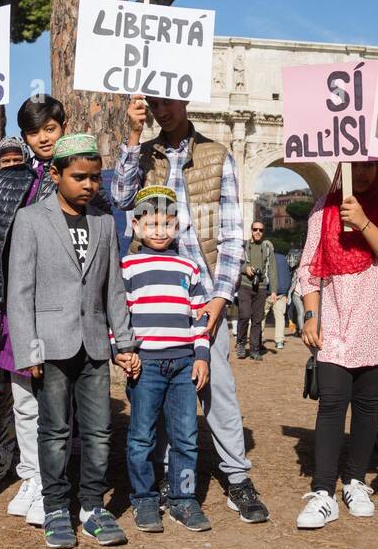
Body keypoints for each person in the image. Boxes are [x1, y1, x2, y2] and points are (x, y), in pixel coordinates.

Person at [0, 98, 111, 528]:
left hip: (65, 311)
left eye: (51, 129)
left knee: (59, 403)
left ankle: (56, 486)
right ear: (26, 137)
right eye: (36, 132)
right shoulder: (8, 180)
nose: (45, 138)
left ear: (62, 127)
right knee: (24, 398)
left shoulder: (81, 179)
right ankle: (31, 477)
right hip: (18, 305)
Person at [111, 93, 269, 522]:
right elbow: (121, 196)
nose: (162, 111)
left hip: (203, 294)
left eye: (169, 102)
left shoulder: (218, 155)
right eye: (155, 104)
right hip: (156, 295)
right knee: (156, 394)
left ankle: (236, 477)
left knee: (218, 390)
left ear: (185, 100)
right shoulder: (142, 153)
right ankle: (166, 478)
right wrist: (132, 133)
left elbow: (234, 232)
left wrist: (219, 299)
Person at [6, 134, 140, 549]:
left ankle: (92, 506)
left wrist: (126, 343)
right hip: (49, 345)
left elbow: (113, 288)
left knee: (99, 431)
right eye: (79, 177)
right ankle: (56, 509)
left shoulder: (103, 222)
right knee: (55, 430)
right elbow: (20, 290)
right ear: (55, 174)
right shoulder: (30, 219)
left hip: (95, 345)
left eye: (95, 178)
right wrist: (28, 349)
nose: (89, 185)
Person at [294, 161, 378, 528]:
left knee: (366, 405)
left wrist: (361, 221)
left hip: (376, 317)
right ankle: (324, 490)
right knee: (331, 401)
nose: (360, 174)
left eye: (368, 167)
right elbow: (309, 267)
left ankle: (357, 481)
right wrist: (311, 316)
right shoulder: (325, 207)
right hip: (336, 318)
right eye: (354, 166)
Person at [121, 186, 212, 533]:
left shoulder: (188, 268)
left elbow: (198, 318)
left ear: (178, 227)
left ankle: (183, 499)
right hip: (146, 366)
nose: (160, 230)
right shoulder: (128, 266)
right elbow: (120, 314)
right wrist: (125, 351)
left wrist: (201, 356)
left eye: (167, 223)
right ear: (137, 226)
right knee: (142, 435)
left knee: (186, 435)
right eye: (152, 223)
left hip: (184, 365)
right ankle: (144, 498)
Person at [236, 220, 278, 360]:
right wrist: (245, 269)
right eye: (255, 229)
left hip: (261, 288)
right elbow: (235, 264)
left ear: (263, 232)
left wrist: (273, 291)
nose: (258, 232)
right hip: (245, 286)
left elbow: (272, 270)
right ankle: (241, 343)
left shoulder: (267, 249)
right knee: (245, 315)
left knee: (257, 320)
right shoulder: (244, 246)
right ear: (251, 230)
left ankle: (254, 349)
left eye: (261, 230)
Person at [269, 247, 292, 350]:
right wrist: (286, 291)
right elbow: (288, 275)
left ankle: (259, 339)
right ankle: (279, 341)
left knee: (261, 316)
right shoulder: (283, 258)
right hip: (282, 291)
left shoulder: (266, 257)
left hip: (268, 291)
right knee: (280, 317)